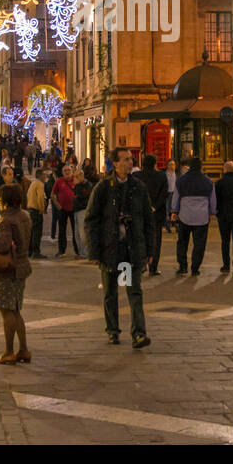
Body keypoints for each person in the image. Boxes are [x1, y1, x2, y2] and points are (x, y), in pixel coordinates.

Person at [84, 146, 154, 348]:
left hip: (130, 251)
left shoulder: (138, 187)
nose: (130, 163)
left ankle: (139, 333)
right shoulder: (104, 187)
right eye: (125, 160)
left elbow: (148, 221)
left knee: (134, 292)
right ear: (115, 163)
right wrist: (94, 251)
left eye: (131, 159)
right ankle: (113, 330)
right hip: (110, 250)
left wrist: (150, 251)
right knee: (110, 293)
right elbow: (91, 220)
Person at [0, 182, 33, 364]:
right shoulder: (24, 215)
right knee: (16, 309)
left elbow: (2, 246)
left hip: (7, 270)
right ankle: (24, 349)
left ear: (5, 201)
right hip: (22, 265)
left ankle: (9, 351)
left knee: (7, 311)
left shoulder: (7, 220)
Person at [171, 156, 216, 276]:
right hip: (202, 218)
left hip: (185, 216)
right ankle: (195, 268)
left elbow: (176, 198)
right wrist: (211, 212)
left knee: (182, 242)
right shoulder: (208, 181)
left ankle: (183, 266)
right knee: (199, 244)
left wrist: (174, 211)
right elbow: (212, 200)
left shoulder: (181, 180)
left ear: (189, 166)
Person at [139, 154, 169, 276]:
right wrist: (154, 206)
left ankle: (141, 265)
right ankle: (153, 267)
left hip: (140, 212)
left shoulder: (136, 176)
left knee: (140, 238)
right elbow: (164, 194)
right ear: (154, 164)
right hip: (156, 213)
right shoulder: (161, 176)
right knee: (155, 240)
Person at [52, 164, 77, 257]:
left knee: (76, 231)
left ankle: (78, 251)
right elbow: (53, 194)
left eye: (68, 170)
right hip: (62, 209)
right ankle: (61, 250)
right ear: (62, 173)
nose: (67, 172)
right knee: (62, 230)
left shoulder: (76, 179)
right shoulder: (59, 181)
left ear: (72, 171)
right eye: (65, 171)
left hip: (74, 209)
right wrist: (57, 205)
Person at [26, 169, 49, 259]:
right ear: (40, 175)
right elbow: (40, 198)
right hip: (36, 210)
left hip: (30, 209)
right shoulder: (40, 184)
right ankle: (36, 252)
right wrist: (42, 209)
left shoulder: (33, 183)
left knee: (31, 231)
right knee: (37, 232)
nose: (46, 176)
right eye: (44, 174)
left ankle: (30, 251)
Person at [71, 169, 92, 260]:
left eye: (75, 177)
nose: (73, 179)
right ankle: (81, 252)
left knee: (82, 232)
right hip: (76, 210)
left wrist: (77, 185)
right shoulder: (79, 185)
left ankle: (85, 253)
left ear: (80, 176)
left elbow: (82, 196)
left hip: (83, 210)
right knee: (77, 234)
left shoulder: (86, 185)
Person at [164, 159, 179, 233]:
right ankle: (168, 226)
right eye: (170, 164)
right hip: (167, 194)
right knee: (167, 211)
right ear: (167, 166)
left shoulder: (177, 175)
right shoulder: (164, 174)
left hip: (175, 194)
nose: (172, 166)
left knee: (175, 211)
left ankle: (176, 226)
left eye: (173, 164)